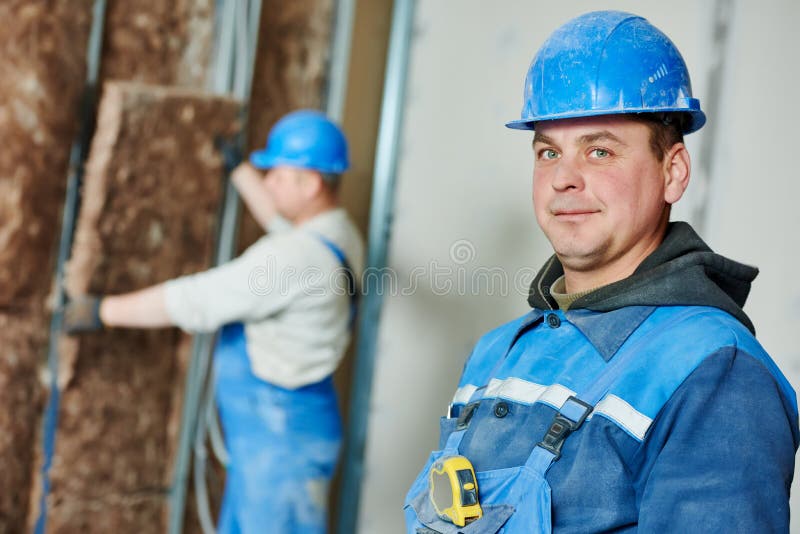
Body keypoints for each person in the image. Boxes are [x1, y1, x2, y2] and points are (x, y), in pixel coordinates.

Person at [404, 10, 798, 533]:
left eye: (599, 150)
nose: (563, 178)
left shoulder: (714, 372)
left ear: (673, 172)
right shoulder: (496, 353)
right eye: (548, 152)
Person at [64, 109, 364, 534]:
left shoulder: (294, 259)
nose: (269, 183)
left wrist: (101, 311)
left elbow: (196, 300)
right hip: (296, 428)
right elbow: (282, 225)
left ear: (311, 183)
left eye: (277, 175)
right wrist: (241, 172)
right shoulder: (338, 235)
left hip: (278, 437)